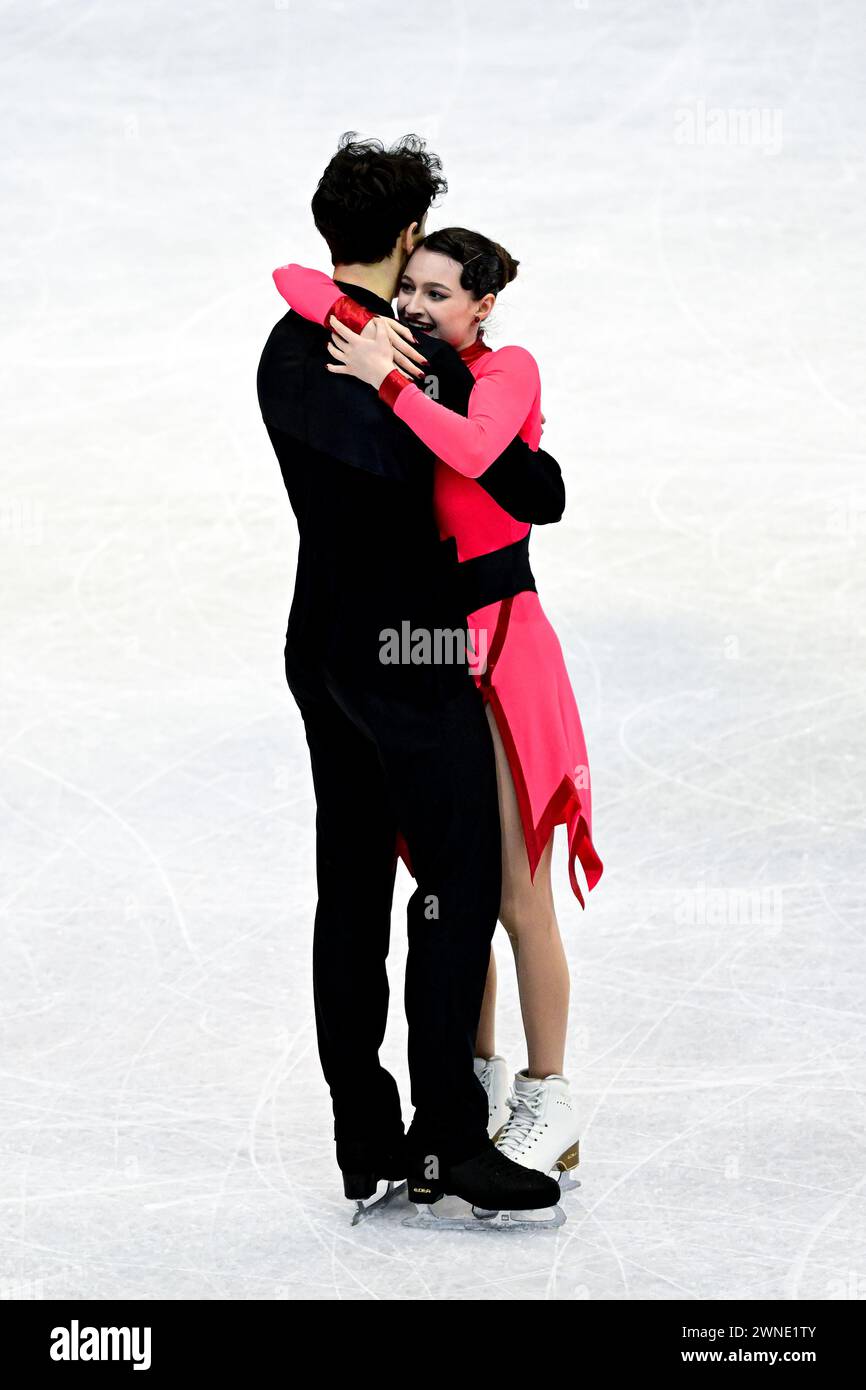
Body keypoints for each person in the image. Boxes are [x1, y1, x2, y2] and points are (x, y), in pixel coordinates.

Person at [256, 133, 567, 1223]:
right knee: (458, 884)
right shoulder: (407, 358)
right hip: (413, 646)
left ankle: (361, 1137)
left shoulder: (287, 347)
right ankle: (445, 1141)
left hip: (319, 644)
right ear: (404, 238)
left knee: (351, 885)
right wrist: (410, 374)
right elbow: (477, 471)